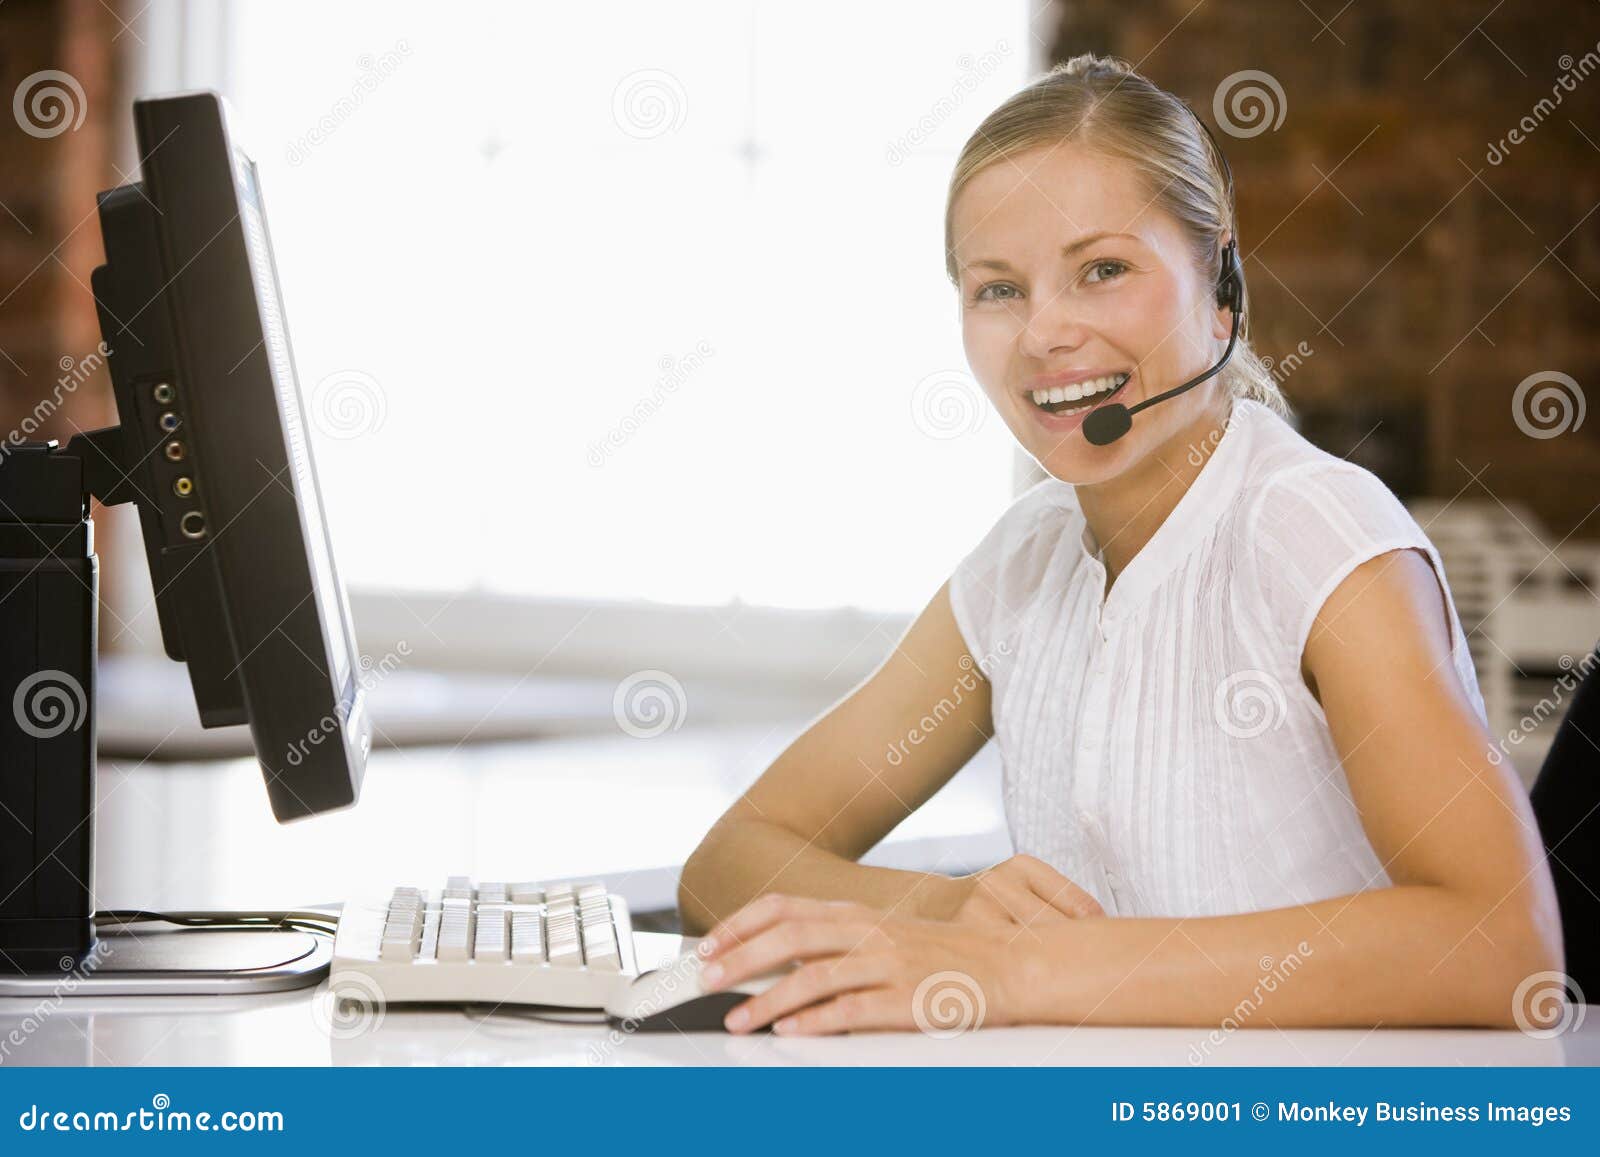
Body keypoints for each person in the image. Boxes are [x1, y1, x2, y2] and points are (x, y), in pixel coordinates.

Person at [677, 54, 1562, 1036]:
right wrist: (949, 915)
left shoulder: (1313, 530)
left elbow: (1499, 945)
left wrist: (1024, 969)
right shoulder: (1022, 566)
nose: (1046, 331)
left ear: (1219, 282)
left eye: (1102, 269)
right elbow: (728, 862)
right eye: (997, 288)